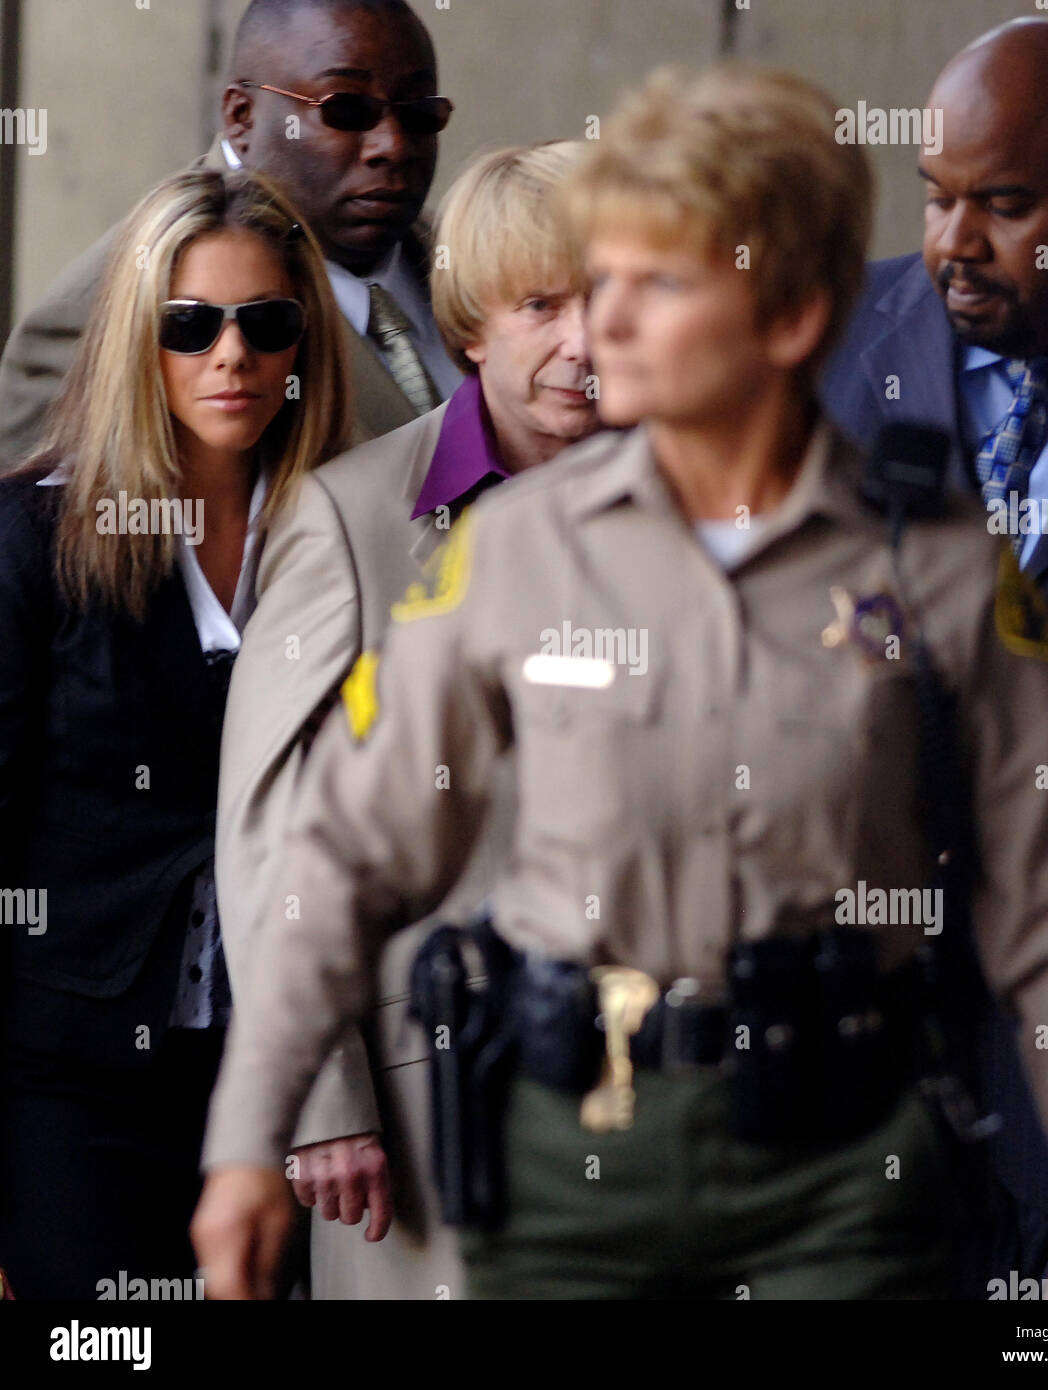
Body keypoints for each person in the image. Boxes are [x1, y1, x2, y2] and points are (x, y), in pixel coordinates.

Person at [192, 62, 1048, 1301]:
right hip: (570, 1155)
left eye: (654, 286)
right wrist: (248, 1141)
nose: (603, 327)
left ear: (787, 317)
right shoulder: (509, 556)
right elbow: (340, 857)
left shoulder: (938, 568)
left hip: (844, 1173)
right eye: (596, 282)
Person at [821, 17, 1048, 1298]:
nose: (951, 243)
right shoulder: (836, 340)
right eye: (935, 196)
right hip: (867, 1133)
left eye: (1003, 205)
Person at [215, 140, 600, 1299]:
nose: (585, 341)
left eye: (610, 297)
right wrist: (321, 1094)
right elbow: (272, 827)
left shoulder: (701, 507)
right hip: (426, 1111)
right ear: (471, 326)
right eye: (542, 306)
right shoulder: (352, 518)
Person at [0, 167, 350, 1299]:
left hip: (285, 1075)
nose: (231, 356)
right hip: (67, 1075)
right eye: (189, 325)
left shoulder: (347, 536)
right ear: (132, 341)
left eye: (266, 323)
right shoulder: (30, 539)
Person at [0, 0, 459, 472]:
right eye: (345, 109)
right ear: (242, 116)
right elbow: (42, 511)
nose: (392, 145)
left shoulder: (468, 259)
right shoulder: (98, 312)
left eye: (420, 113)